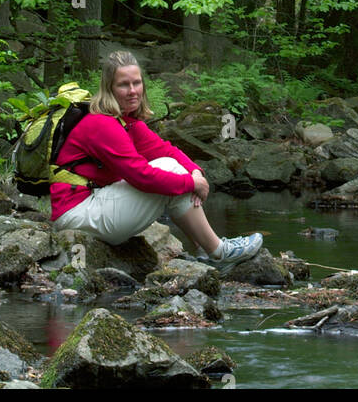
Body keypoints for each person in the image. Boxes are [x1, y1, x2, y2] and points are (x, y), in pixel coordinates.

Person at [50, 50, 262, 274]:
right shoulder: (102, 124)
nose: (133, 91)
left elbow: (167, 150)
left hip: (91, 205)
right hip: (76, 216)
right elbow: (140, 176)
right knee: (171, 174)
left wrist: (196, 173)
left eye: (137, 83)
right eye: (124, 85)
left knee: (174, 169)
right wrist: (191, 184)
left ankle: (204, 248)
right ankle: (218, 251)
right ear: (109, 88)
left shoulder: (126, 122)